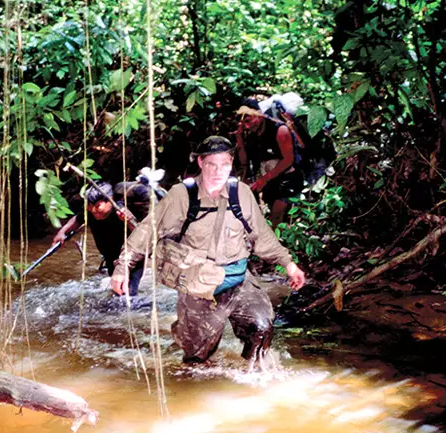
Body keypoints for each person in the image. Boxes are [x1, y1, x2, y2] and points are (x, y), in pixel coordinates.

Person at [110, 136, 306, 367]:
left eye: (224, 164)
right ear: (201, 163)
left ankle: (251, 380)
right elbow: (147, 231)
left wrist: (289, 264)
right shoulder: (181, 195)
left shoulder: (241, 193)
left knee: (261, 328)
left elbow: (261, 235)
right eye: (212, 163)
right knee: (196, 360)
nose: (218, 171)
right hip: (198, 287)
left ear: (231, 163)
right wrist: (122, 268)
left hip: (238, 280)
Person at [52, 179, 162, 296]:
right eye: (89, 206)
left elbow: (141, 238)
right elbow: (77, 220)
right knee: (117, 291)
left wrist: (128, 221)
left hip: (130, 259)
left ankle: (139, 309)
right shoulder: (90, 213)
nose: (93, 210)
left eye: (98, 206)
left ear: (110, 200)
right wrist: (62, 232)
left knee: (128, 291)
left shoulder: (122, 211)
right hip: (110, 257)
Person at [233, 98, 309, 224]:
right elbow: (244, 162)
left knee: (277, 213)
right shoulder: (251, 134)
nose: (247, 126)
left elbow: (288, 160)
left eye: (249, 120)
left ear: (260, 116)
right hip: (268, 179)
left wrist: (264, 180)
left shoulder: (279, 130)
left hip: (288, 178)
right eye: (244, 123)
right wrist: (239, 138)